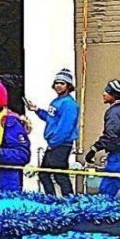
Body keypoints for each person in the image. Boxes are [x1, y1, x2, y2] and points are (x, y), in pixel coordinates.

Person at [28, 69, 79, 197]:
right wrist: (37, 110)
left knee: (59, 175)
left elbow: (65, 127)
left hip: (61, 144)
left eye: (62, 83)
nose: (58, 85)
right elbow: (51, 119)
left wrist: (53, 143)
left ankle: (68, 201)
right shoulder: (57, 101)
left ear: (68, 86)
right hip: (55, 143)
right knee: (45, 174)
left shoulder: (69, 104)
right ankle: (54, 199)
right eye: (56, 83)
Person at [85, 77, 120, 198]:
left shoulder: (115, 112)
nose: (104, 93)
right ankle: (103, 209)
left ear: (114, 95)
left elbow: (110, 135)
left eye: (107, 91)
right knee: (107, 187)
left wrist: (94, 149)